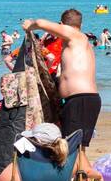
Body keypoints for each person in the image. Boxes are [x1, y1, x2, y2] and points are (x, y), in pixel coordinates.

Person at [22, 10, 102, 150]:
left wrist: (29, 25)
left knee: (69, 148)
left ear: (62, 25)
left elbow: (40, 23)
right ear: (81, 24)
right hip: (84, 99)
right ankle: (81, 171)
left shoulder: (75, 35)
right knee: (78, 149)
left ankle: (84, 172)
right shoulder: (80, 42)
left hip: (80, 99)